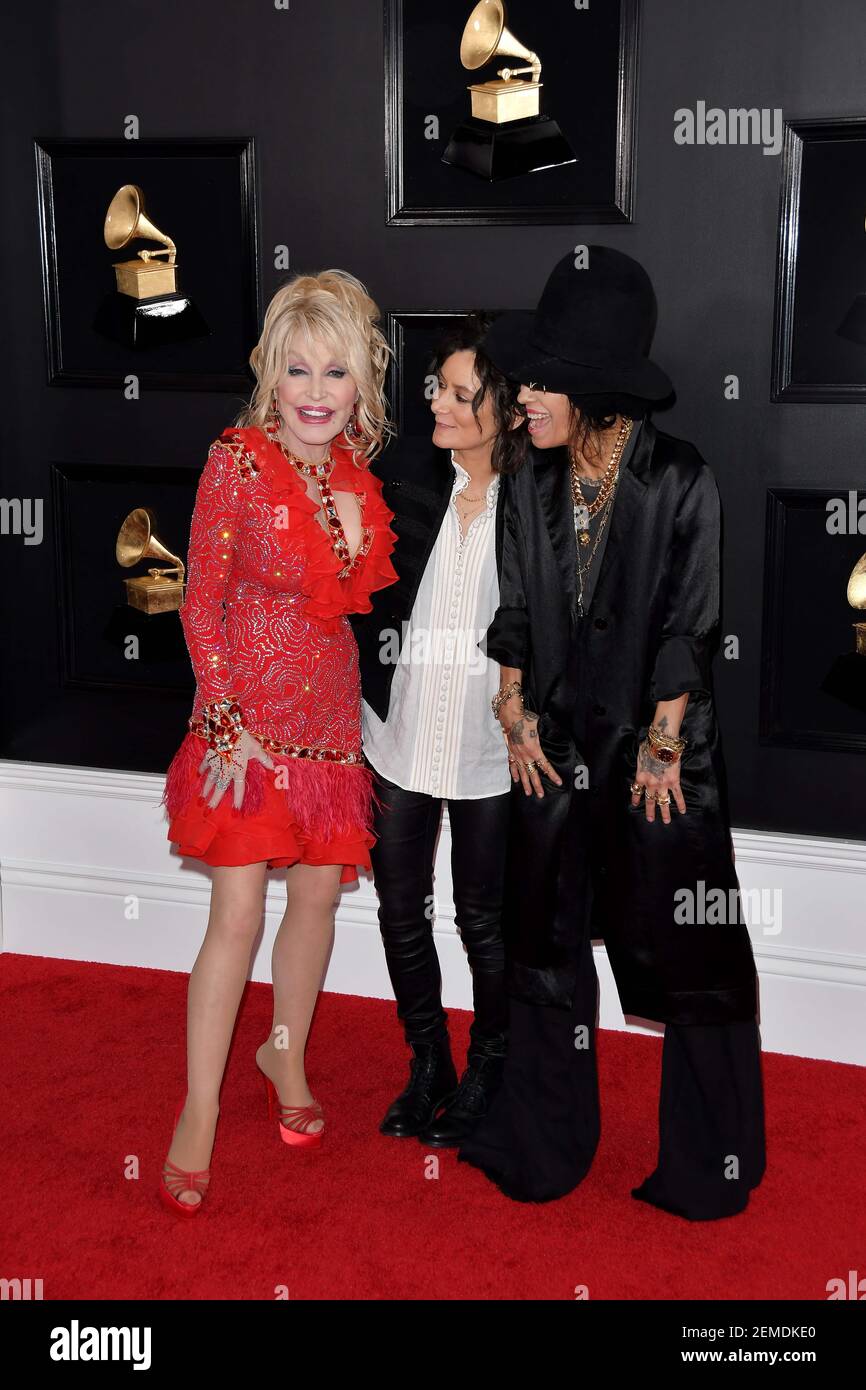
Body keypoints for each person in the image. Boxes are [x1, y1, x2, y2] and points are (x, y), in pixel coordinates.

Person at [458, 247, 766, 1220]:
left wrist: (663, 740)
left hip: (655, 760)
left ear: (593, 388)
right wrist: (509, 707)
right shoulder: (524, 483)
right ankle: (538, 1146)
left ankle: (706, 1166)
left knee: (693, 955)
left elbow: (687, 626)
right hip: (550, 750)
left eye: (539, 383)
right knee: (541, 944)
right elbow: (512, 615)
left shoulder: (680, 481)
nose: (519, 403)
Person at [158, 269, 398, 1214]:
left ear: (360, 381)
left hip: (331, 724)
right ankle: (200, 1107)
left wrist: (343, 527)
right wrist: (223, 718)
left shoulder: (351, 473)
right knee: (238, 918)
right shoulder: (239, 458)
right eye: (297, 369)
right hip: (247, 731)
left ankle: (284, 1060)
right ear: (270, 375)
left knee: (317, 907)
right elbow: (200, 601)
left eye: (334, 372)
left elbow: (339, 604)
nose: (314, 391)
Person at [352, 314, 526, 1145]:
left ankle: (492, 1065)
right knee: (397, 909)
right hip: (402, 737)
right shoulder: (403, 480)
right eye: (439, 389)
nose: (442, 406)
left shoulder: (537, 507)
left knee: (483, 919)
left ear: (505, 408)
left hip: (490, 749)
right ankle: (430, 1063)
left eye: (464, 395)